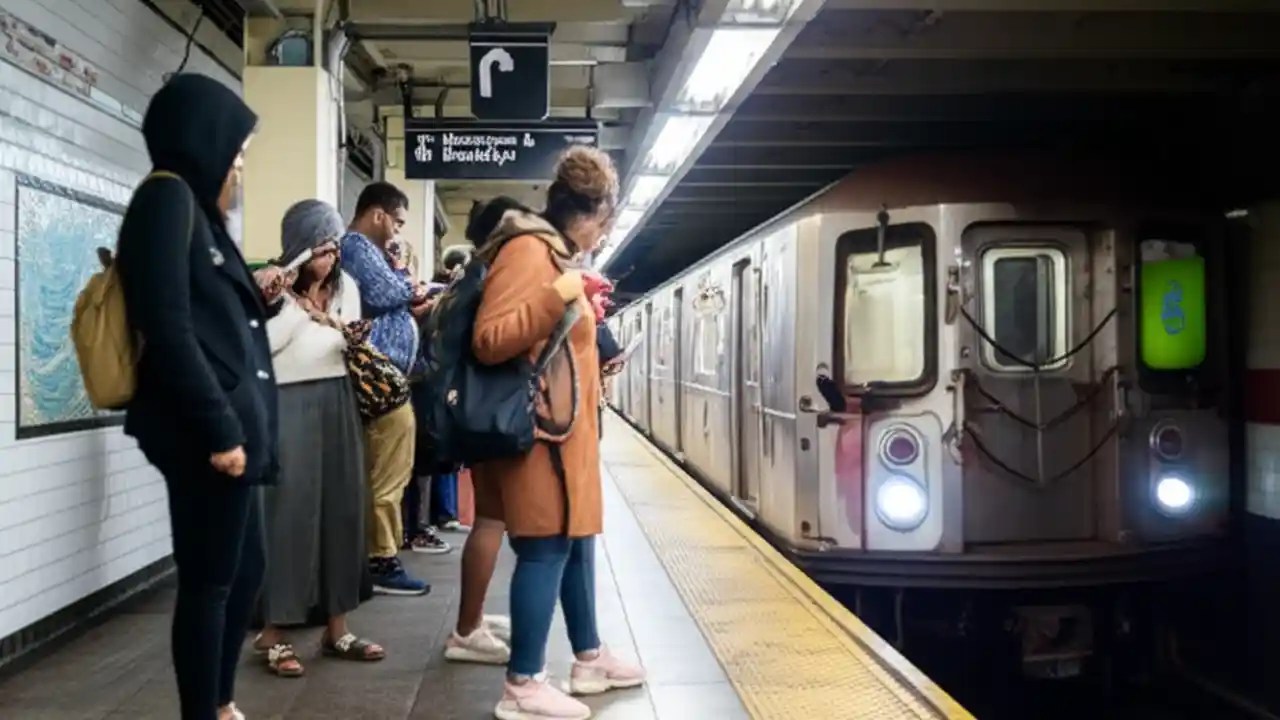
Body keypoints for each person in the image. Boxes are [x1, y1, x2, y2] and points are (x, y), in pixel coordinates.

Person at [116, 73, 274, 720]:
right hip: (202, 434)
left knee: (244, 573)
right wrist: (220, 430)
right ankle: (204, 710)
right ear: (203, 139)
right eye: (234, 147)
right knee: (210, 584)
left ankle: (221, 699)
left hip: (227, 430)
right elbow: (168, 325)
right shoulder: (165, 201)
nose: (238, 162)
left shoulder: (198, 214)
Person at [470, 149, 645, 720]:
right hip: (539, 435)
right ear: (589, 213)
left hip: (567, 435)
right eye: (605, 222)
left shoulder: (555, 255)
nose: (604, 234)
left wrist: (577, 301)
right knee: (544, 548)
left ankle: (589, 657)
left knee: (576, 542)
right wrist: (560, 295)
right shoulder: (527, 251)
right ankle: (522, 684)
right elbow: (490, 337)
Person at [252, 200, 384, 677]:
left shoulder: (346, 287)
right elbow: (264, 349)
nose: (329, 259)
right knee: (290, 515)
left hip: (339, 401)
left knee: (341, 512)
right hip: (288, 404)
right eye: (320, 249)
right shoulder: (271, 288)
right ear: (300, 249)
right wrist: (298, 307)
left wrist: (346, 330)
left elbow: (344, 341)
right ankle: (274, 632)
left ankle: (338, 628)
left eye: (333, 248)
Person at [440, 195, 536, 668]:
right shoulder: (491, 279)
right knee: (493, 519)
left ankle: (472, 618)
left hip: (478, 409)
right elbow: (492, 343)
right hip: (493, 410)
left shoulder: (472, 274)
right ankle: (465, 630)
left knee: (491, 518)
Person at [340, 183, 436, 594]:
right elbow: (388, 292)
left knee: (384, 473)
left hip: (386, 379)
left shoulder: (370, 251)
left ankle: (377, 555)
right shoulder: (358, 246)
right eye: (396, 222)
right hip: (379, 382)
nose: (397, 233)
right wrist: (412, 288)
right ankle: (381, 560)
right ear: (378, 214)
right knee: (387, 476)